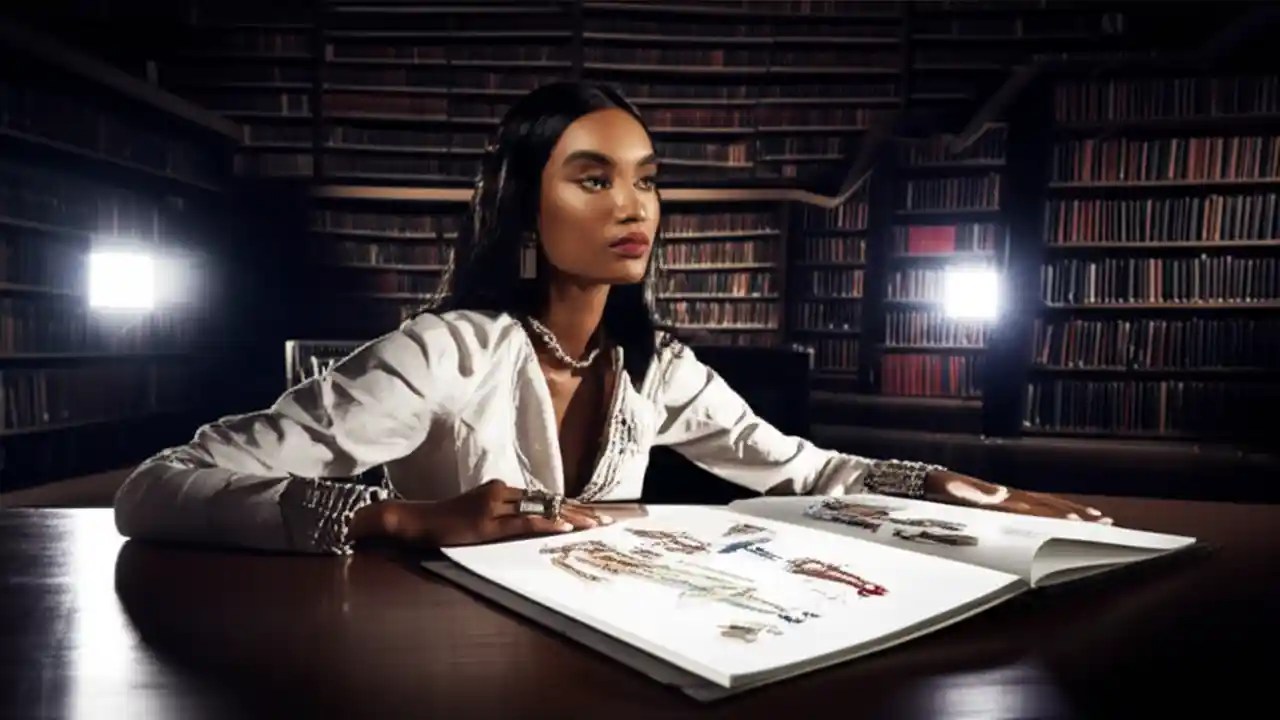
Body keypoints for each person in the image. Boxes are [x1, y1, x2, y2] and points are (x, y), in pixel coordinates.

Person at [112, 81, 1112, 556]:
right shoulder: (443, 353)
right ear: (522, 205)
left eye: (644, 181)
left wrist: (938, 483)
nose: (632, 208)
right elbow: (159, 489)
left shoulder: (656, 366)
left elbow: (801, 470)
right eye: (591, 179)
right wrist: (403, 516)